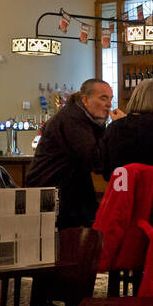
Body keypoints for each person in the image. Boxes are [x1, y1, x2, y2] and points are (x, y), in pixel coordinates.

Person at [27, 78, 124, 229]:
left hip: (65, 191)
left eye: (111, 99)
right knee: (110, 220)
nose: (109, 105)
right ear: (85, 100)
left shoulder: (83, 119)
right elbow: (95, 159)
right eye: (103, 98)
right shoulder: (72, 120)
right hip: (52, 195)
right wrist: (117, 127)